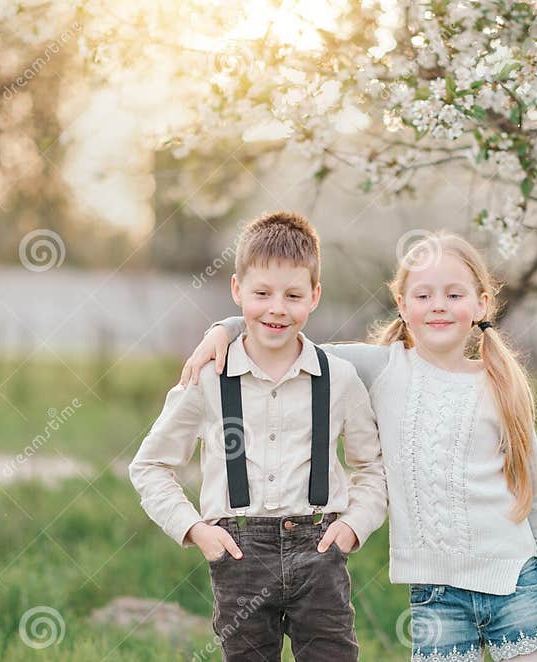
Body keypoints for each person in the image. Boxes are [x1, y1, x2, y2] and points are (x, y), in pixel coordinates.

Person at [182, 231, 537, 661]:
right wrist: (229, 326)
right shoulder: (383, 368)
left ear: (482, 303)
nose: (439, 305)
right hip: (437, 594)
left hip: (515, 579)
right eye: (424, 295)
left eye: (453, 294)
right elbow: (285, 335)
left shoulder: (501, 384)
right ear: (403, 306)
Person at [130, 211, 387, 661]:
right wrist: (195, 530)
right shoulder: (209, 378)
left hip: (320, 553)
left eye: (293, 295)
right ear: (237, 291)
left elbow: (372, 467)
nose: (277, 308)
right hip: (239, 557)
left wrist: (351, 527)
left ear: (315, 296)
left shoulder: (339, 378)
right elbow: (150, 465)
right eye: (262, 294)